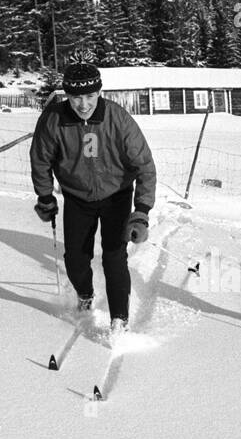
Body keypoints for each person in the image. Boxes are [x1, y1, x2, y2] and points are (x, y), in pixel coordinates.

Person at [30, 62, 156, 336]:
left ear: (99, 93)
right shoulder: (54, 119)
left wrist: (141, 211)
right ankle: (85, 294)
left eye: (89, 97)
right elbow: (41, 160)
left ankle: (119, 320)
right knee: (75, 259)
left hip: (116, 196)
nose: (83, 104)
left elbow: (145, 165)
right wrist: (45, 196)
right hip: (77, 197)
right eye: (76, 98)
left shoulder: (117, 118)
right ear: (67, 96)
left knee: (114, 257)